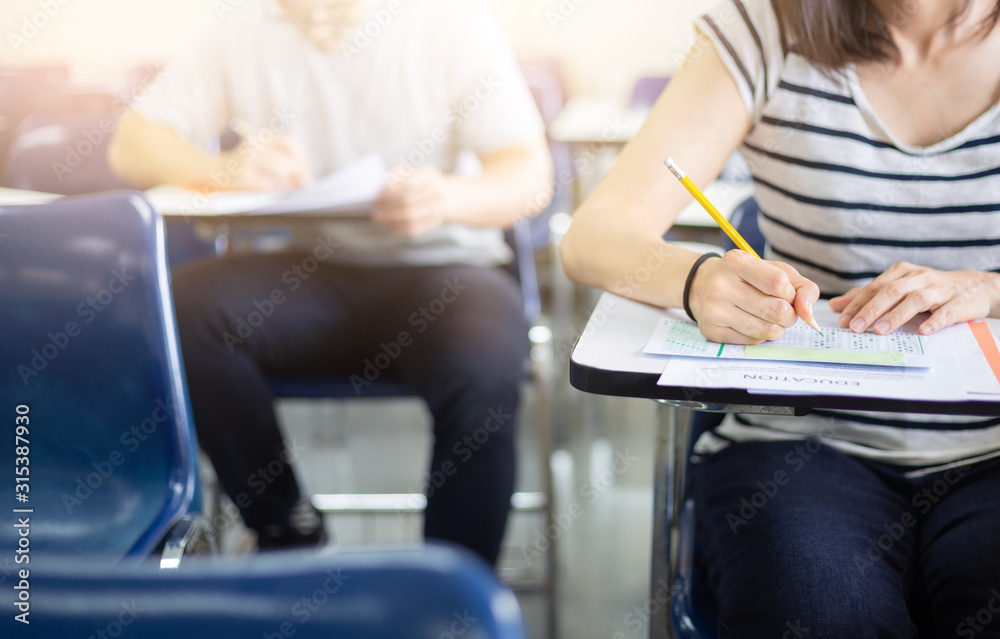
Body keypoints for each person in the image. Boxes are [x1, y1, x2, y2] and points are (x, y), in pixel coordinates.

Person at [561, 0, 1000, 635]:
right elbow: (591, 236)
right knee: (818, 613)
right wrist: (696, 279)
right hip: (800, 449)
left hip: (990, 446)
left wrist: (985, 289)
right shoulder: (767, 29)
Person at [107, 0, 552, 566]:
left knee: (485, 357)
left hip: (445, 269)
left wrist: (447, 196)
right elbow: (131, 143)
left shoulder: (452, 23)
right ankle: (287, 531)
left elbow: (528, 175)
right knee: (184, 310)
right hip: (308, 272)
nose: (312, 20)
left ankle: (451, 587)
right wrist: (222, 171)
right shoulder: (245, 28)